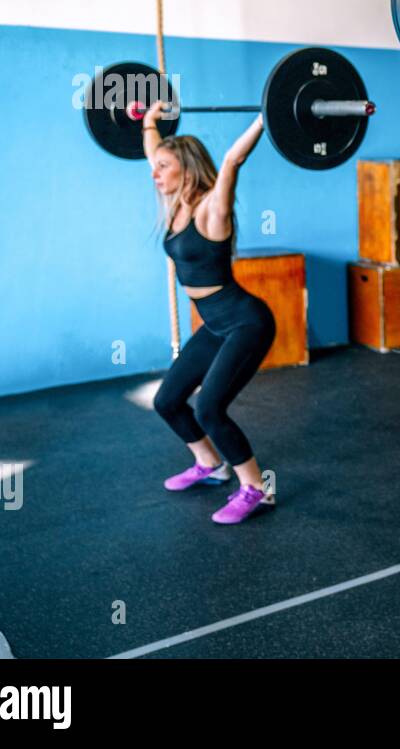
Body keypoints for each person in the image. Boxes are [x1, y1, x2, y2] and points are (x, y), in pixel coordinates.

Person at [138, 99, 277, 525]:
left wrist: (265, 117)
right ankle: (210, 465)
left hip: (246, 323)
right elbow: (153, 150)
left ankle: (257, 488)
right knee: (167, 401)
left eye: (163, 167)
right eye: (155, 166)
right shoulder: (176, 204)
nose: (154, 173)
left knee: (209, 409)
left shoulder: (211, 209)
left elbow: (233, 160)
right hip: (215, 325)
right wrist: (148, 123)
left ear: (186, 166)